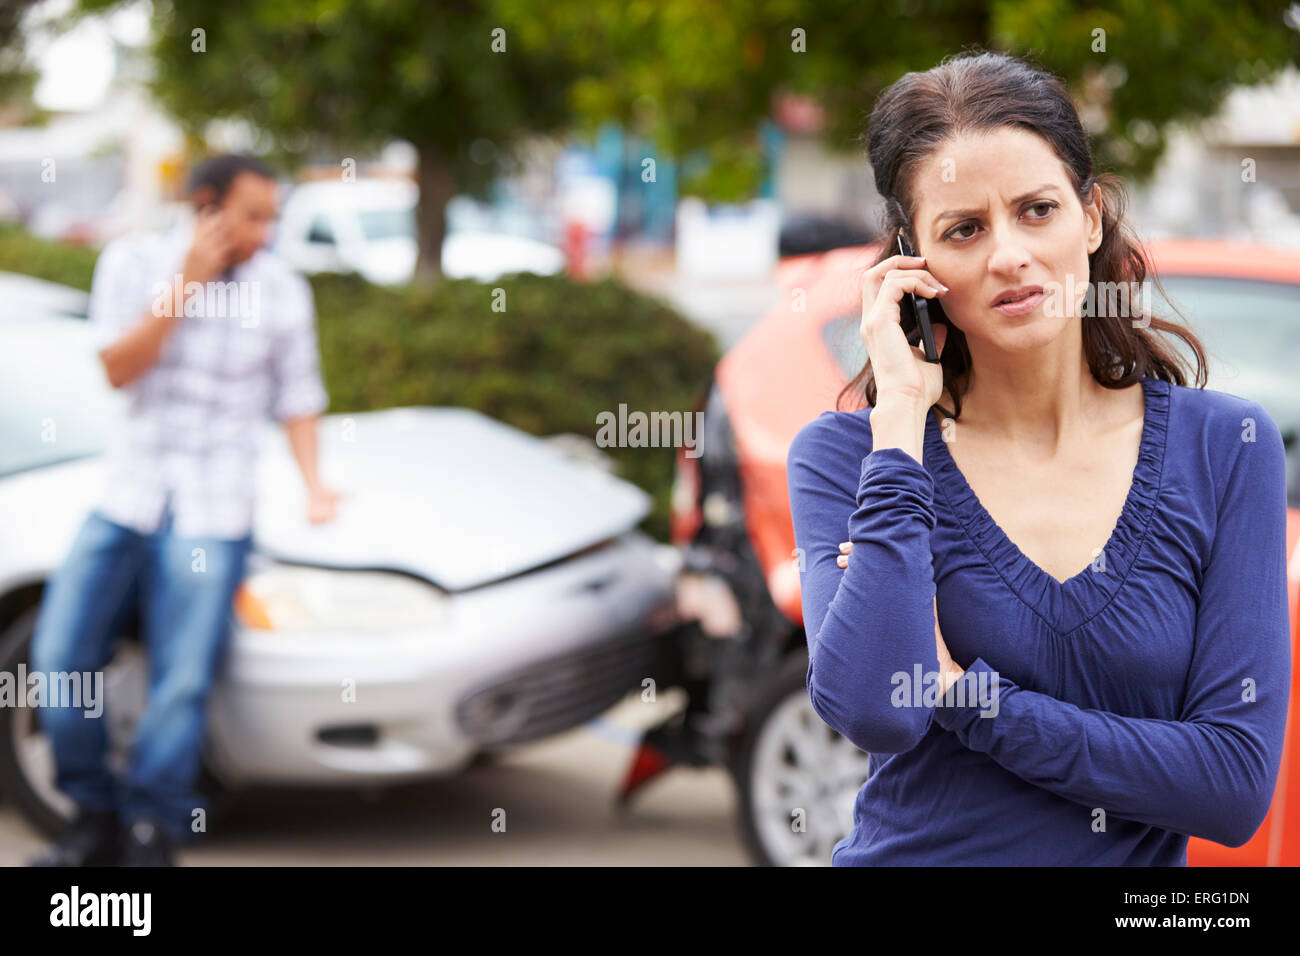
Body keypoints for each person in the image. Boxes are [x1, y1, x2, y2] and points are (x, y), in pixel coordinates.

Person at [786, 50, 1291, 865]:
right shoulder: (851, 455)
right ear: (914, 261)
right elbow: (878, 709)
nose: (1009, 255)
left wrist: (967, 697)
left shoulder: (1224, 449)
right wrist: (902, 418)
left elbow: (1231, 786)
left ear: (1090, 217)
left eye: (1036, 210)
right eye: (964, 229)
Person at [28, 153, 340, 867]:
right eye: (252, 216)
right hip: (128, 496)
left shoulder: (282, 290)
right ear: (206, 207)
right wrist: (185, 286)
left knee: (184, 678)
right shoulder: (133, 262)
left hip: (215, 508)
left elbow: (300, 396)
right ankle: (91, 814)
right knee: (60, 658)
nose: (265, 233)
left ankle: (152, 828)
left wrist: (316, 486)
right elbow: (118, 369)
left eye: (271, 218)